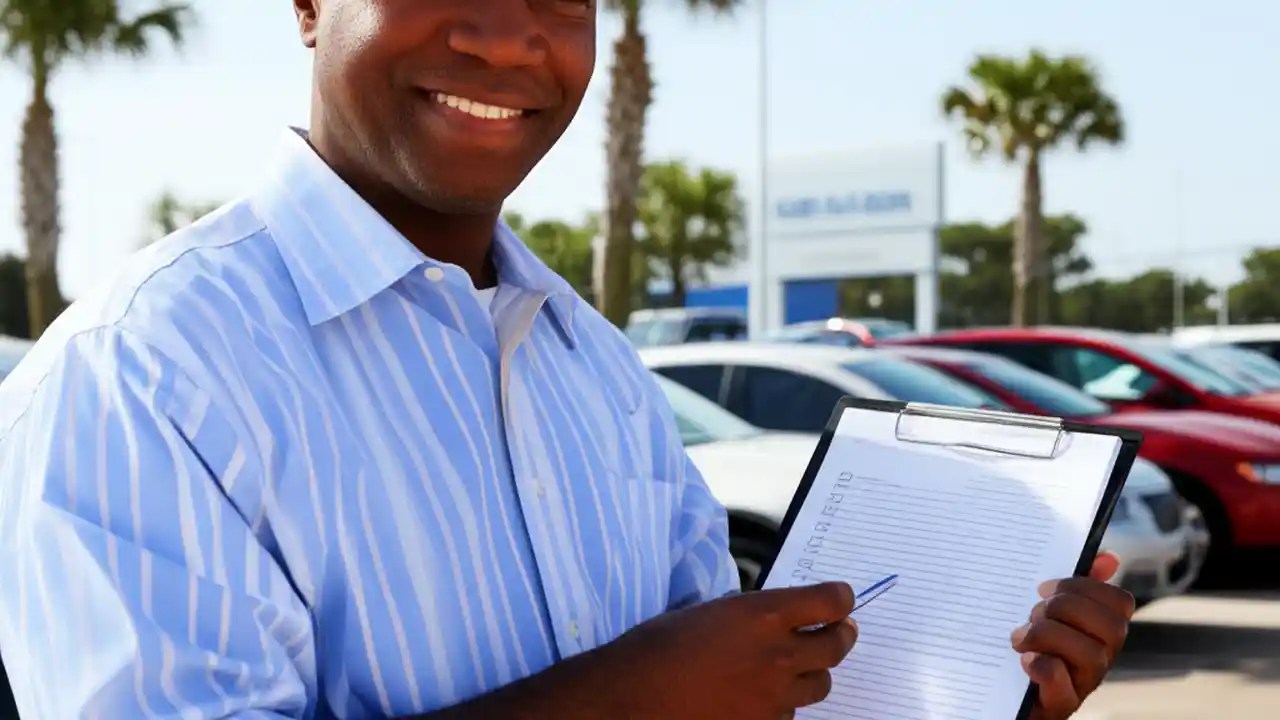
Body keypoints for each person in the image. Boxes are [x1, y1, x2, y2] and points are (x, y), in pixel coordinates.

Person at [0, 1, 1135, 718]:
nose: (504, 35)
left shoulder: (594, 369)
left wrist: (988, 699)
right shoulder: (142, 371)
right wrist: (632, 703)